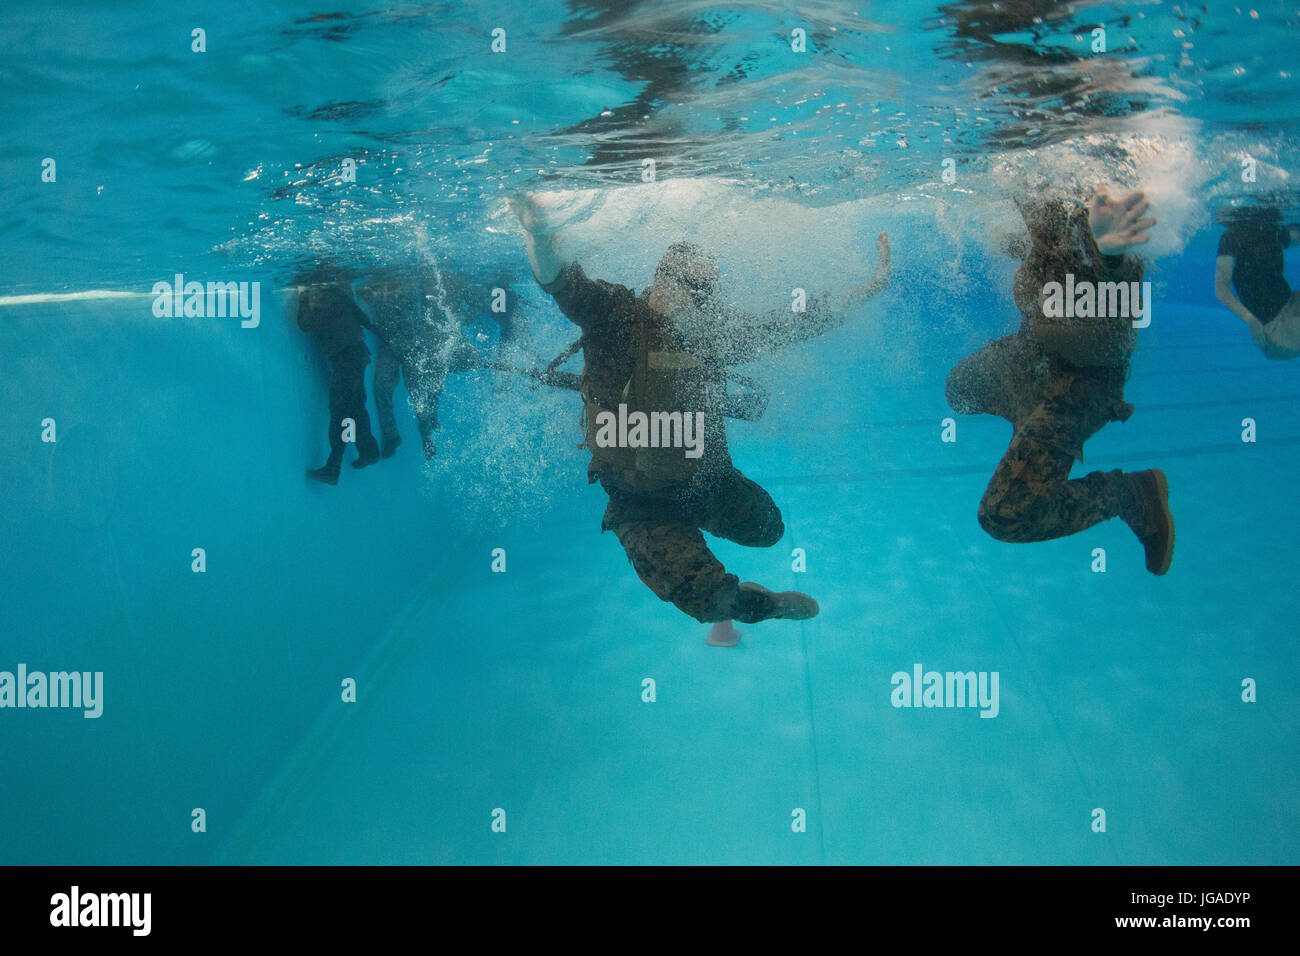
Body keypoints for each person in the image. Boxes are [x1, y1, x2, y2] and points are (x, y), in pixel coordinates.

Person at [512, 192, 890, 630]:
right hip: (639, 504)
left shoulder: (713, 336)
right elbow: (562, 282)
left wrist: (872, 285)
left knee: (769, 530)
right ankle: (761, 603)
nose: (677, 295)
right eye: (671, 280)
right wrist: (538, 234)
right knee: (709, 603)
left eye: (695, 291)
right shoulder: (613, 317)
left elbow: (798, 322)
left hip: (705, 483)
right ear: (657, 278)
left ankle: (702, 530)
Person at [946, 187, 1175, 574]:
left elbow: (1116, 339)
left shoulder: (1100, 221)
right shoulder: (1048, 212)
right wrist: (1014, 244)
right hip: (1028, 361)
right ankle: (1030, 426)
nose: (1023, 200)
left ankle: (1130, 495)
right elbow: (1050, 254)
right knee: (960, 389)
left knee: (1006, 516)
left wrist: (1112, 257)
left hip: (1077, 386)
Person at [355, 270, 481, 460]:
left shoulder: (412, 287)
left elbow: (420, 318)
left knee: (417, 395)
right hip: (389, 343)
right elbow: (362, 293)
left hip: (412, 346)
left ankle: (426, 435)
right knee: (382, 389)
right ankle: (393, 436)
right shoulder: (376, 286)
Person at [295, 273, 381, 485]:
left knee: (340, 414)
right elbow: (362, 318)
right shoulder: (339, 293)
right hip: (359, 356)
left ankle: (333, 468)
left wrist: (303, 297)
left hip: (345, 360)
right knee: (356, 408)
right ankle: (369, 451)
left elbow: (305, 325)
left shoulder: (320, 299)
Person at [1213, 207, 1300, 359]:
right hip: (1276, 331)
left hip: (1290, 303)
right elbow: (1221, 289)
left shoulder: (1271, 231)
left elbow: (1294, 236)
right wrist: (1250, 319)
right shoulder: (1232, 238)